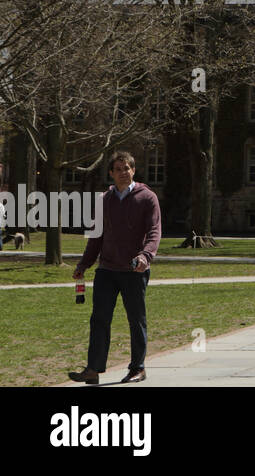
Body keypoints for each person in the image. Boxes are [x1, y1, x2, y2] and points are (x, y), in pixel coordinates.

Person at [68, 151, 161, 385]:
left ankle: (137, 368)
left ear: (134, 170)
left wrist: (145, 256)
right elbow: (95, 237)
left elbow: (154, 232)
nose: (123, 172)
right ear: (111, 173)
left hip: (134, 270)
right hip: (106, 270)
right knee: (99, 319)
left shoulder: (147, 197)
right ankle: (93, 369)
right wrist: (84, 264)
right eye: (118, 169)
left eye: (127, 168)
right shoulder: (104, 200)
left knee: (136, 319)